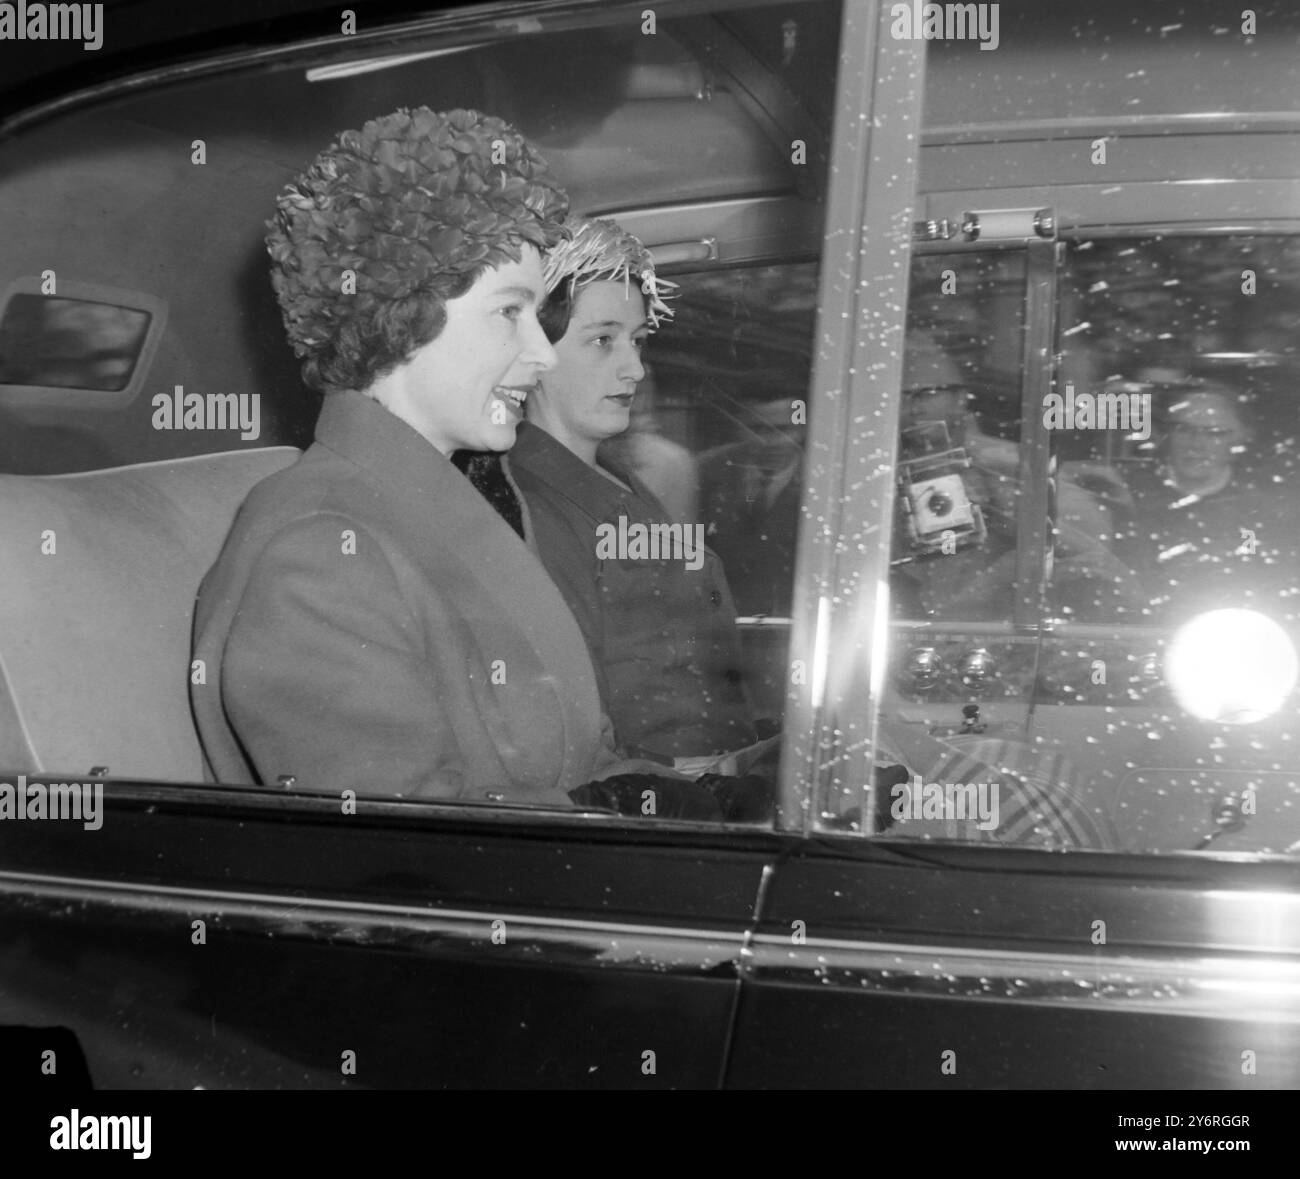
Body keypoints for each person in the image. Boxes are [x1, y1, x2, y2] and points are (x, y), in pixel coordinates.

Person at [190, 108, 724, 818]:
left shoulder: (454, 506)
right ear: (403, 312)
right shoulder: (317, 555)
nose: (539, 352)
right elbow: (410, 862)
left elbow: (582, 759)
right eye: (511, 313)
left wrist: (712, 804)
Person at [508, 217, 760, 762]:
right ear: (533, 351)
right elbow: (585, 730)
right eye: (603, 340)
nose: (636, 368)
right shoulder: (529, 510)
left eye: (638, 341)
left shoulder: (621, 483)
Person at [1116, 380, 1292, 618]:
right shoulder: (1124, 495)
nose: (1197, 444)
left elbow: (1265, 584)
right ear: (1166, 434)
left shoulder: (1262, 511)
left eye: (1214, 433)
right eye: (1185, 429)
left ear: (1242, 438)